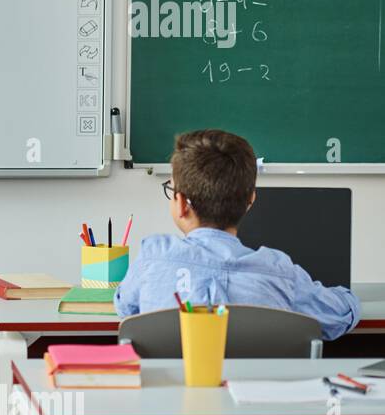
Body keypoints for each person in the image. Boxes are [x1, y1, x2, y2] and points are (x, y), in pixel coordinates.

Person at [115, 129, 359, 339]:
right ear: (250, 200)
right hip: (258, 392)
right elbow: (340, 315)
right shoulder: (279, 273)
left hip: (170, 392)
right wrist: (349, 299)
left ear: (180, 203)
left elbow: (126, 307)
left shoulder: (153, 258)